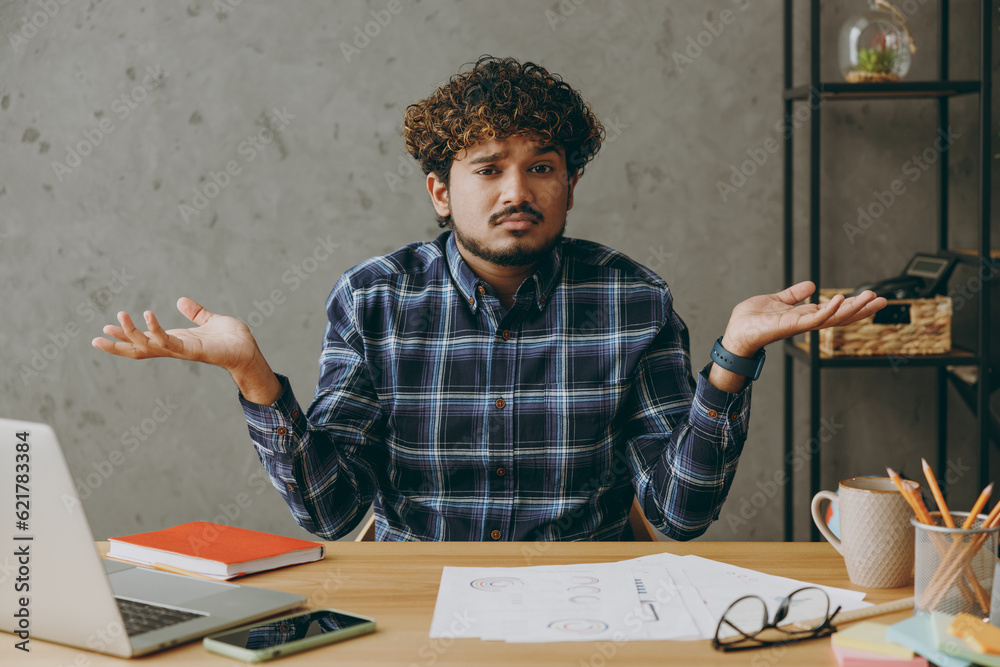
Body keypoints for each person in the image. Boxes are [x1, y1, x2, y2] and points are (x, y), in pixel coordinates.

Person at [93, 55, 885, 541]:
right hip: (416, 599)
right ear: (441, 190)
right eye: (488, 167)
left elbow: (678, 515)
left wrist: (731, 361)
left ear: (570, 186)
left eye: (542, 166)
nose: (518, 190)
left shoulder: (633, 300)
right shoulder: (373, 299)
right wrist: (255, 378)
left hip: (592, 608)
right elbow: (337, 515)